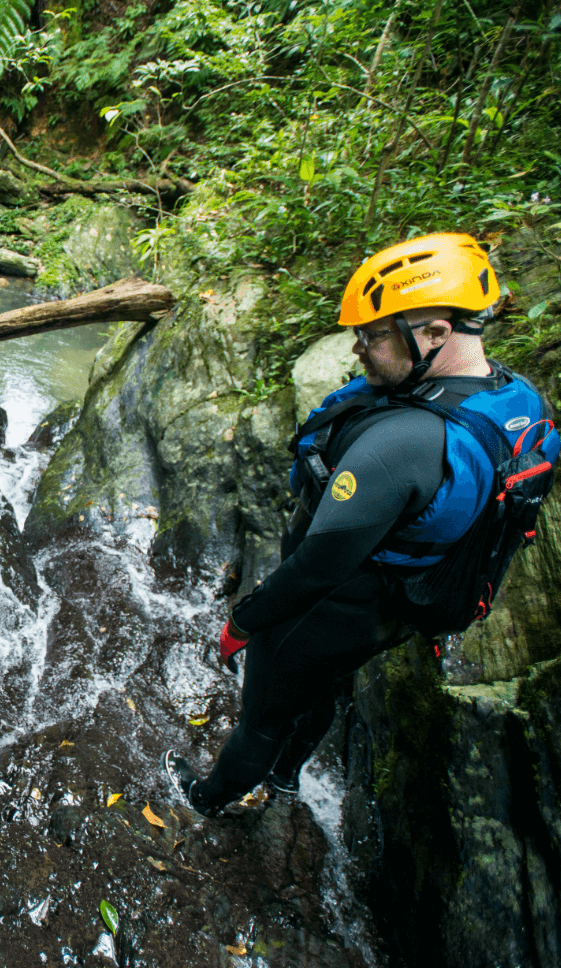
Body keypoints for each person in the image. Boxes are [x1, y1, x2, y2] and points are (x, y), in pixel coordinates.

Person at [163, 233, 557, 816]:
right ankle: (289, 779)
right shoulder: (514, 398)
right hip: (396, 608)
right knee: (324, 685)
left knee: (264, 711)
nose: (357, 349)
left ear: (436, 334)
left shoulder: (406, 442)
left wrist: (245, 622)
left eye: (373, 335)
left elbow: (321, 561)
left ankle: (207, 798)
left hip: (334, 603)